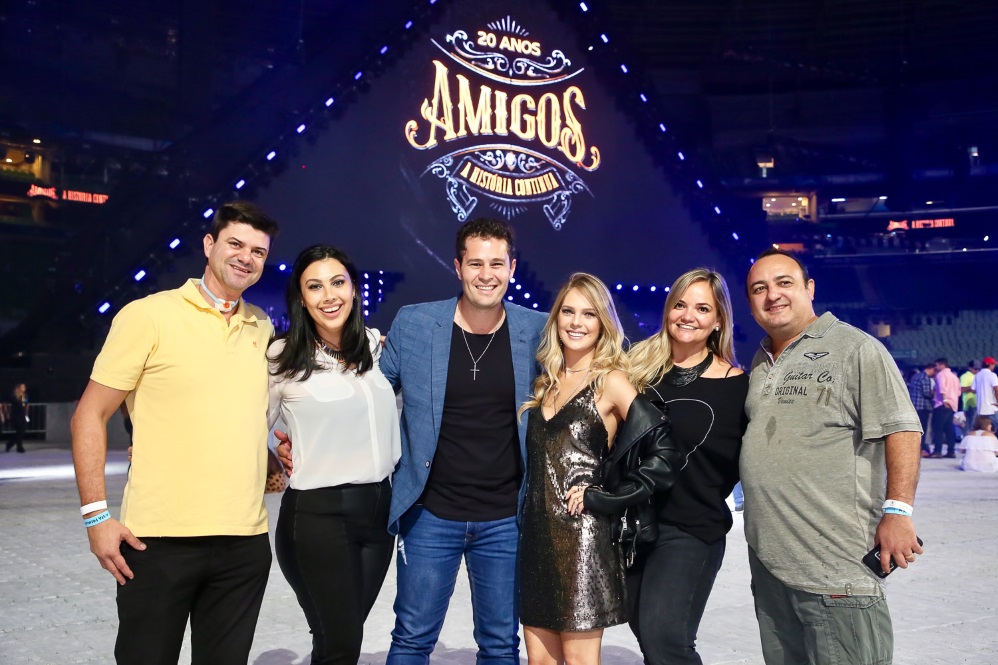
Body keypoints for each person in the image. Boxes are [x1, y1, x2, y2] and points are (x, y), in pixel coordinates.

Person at [281, 218, 547, 663]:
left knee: (501, 644)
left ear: (512, 267)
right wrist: (298, 435)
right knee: (411, 639)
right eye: (475, 262)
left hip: (506, 519)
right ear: (457, 266)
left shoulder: (537, 330)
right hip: (428, 515)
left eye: (497, 263)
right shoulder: (417, 323)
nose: (486, 274)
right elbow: (368, 393)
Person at [70, 201, 279, 664]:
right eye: (236, 244)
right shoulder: (149, 315)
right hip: (157, 543)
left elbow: (237, 413)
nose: (247, 257)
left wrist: (276, 454)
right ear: (209, 245)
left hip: (244, 543)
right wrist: (95, 517)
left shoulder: (260, 325)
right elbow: (88, 414)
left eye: (259, 252)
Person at [740, 248, 923, 665]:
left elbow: (903, 428)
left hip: (835, 569)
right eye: (759, 289)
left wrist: (898, 511)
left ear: (809, 288)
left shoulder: (855, 349)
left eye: (784, 283)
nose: (773, 295)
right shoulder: (762, 360)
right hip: (772, 569)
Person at [604, 268, 748, 665]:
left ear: (718, 320)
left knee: (665, 638)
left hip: (692, 528)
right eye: (680, 305)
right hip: (634, 527)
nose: (688, 315)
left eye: (703, 308)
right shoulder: (638, 372)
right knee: (647, 631)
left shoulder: (739, 387)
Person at [267, 245, 401, 664]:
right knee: (341, 645)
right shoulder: (282, 357)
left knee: (338, 640)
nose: (329, 295)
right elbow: (246, 427)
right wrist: (279, 451)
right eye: (315, 286)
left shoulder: (377, 349)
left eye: (338, 282)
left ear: (355, 289)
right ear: (302, 299)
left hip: (379, 513)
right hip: (317, 517)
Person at [517, 273, 634, 664]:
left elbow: (659, 445)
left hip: (583, 539)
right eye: (568, 311)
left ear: (603, 324)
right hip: (536, 536)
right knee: (539, 661)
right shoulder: (544, 383)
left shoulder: (611, 382)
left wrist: (610, 496)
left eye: (589, 314)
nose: (576, 322)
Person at [931, 357, 961, 457]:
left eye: (937, 365)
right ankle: (951, 451)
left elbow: (942, 389)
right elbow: (958, 392)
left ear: (942, 365)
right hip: (953, 404)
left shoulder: (940, 375)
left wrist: (944, 400)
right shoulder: (954, 376)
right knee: (949, 429)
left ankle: (937, 451)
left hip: (942, 404)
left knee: (938, 428)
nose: (936, 367)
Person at [906, 361, 936, 456]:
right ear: (931, 369)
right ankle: (921, 449)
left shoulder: (916, 376)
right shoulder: (925, 378)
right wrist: (934, 393)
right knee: (923, 430)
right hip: (923, 407)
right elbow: (927, 393)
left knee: (916, 430)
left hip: (914, 406)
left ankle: (913, 448)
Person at [972, 356, 998, 432]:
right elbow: (996, 389)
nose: (994, 366)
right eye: (993, 364)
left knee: (982, 429)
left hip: (980, 408)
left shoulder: (977, 375)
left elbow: (973, 390)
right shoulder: (992, 375)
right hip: (992, 407)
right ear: (990, 365)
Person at [7, 383, 28, 453]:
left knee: (22, 431)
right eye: (22, 387)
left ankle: (10, 443)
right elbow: (17, 405)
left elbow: (26, 404)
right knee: (19, 430)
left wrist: (26, 414)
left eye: (24, 387)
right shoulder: (14, 396)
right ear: (19, 388)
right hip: (16, 415)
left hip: (22, 415)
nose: (24, 388)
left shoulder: (25, 396)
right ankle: (19, 447)